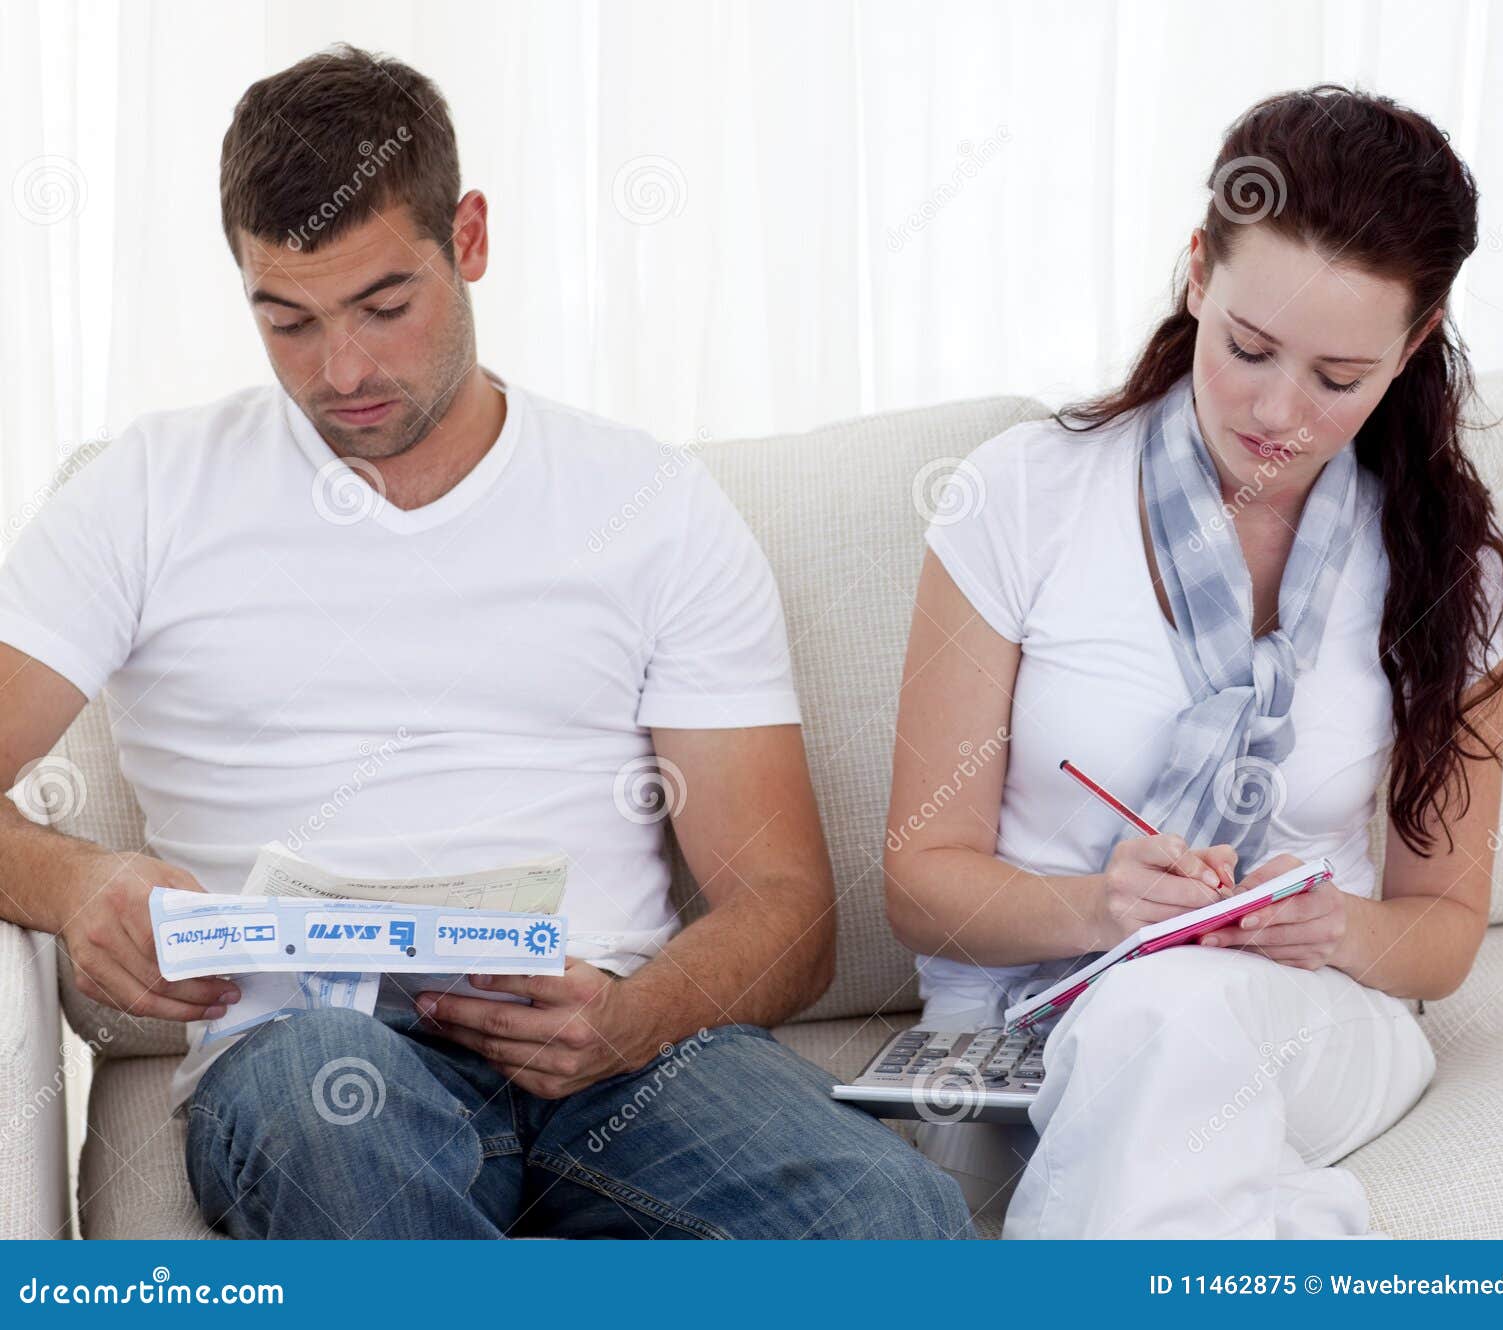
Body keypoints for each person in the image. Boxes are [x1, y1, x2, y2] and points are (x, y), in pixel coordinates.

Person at [0, 44, 968, 1241]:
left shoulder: (644, 503)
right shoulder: (145, 491)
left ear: (468, 238)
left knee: (890, 1213)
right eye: (286, 319)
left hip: (611, 1049)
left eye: (384, 305)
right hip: (316, 1054)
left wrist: (634, 1014)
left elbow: (786, 908)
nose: (341, 370)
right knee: (335, 1127)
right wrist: (71, 880)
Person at [883, 85, 1503, 1238]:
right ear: (1196, 274)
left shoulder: (1448, 567)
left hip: (1309, 1021)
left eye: (1339, 379)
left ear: (1414, 345)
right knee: (1157, 1028)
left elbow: (1442, 931)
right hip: (1029, 1025)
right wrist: (1099, 906)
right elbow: (920, 884)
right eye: (1246, 348)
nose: (1278, 411)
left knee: (1170, 1012)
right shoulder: (1020, 495)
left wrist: (1333, 926)